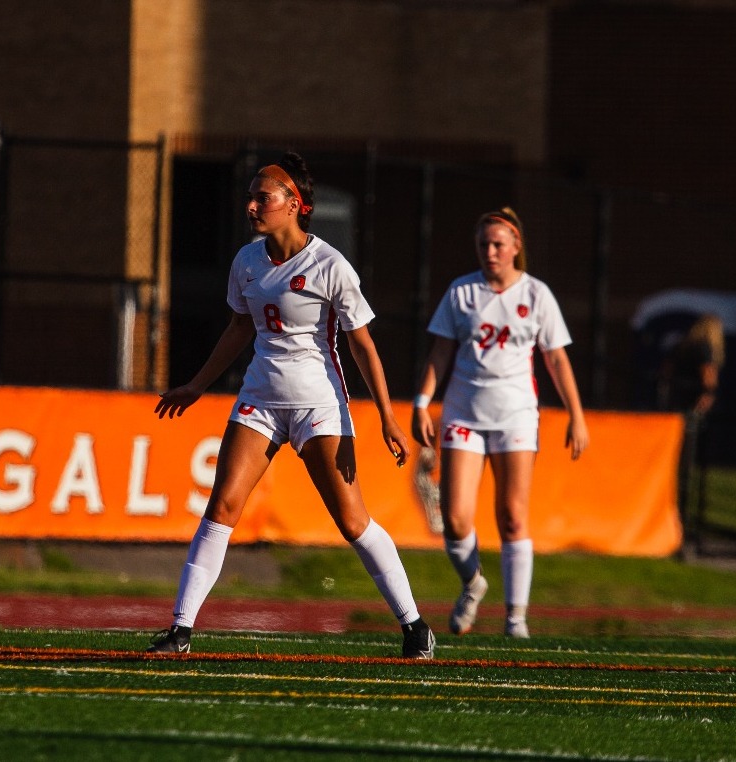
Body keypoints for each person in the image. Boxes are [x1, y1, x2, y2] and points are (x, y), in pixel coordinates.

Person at [147, 152, 435, 659]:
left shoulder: (330, 265)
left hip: (318, 407)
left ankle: (414, 626)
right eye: (252, 195)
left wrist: (387, 415)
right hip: (259, 400)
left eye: (264, 196)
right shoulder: (246, 260)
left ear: (294, 205)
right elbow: (239, 329)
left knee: (351, 521)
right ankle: (180, 629)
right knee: (222, 507)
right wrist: (196, 385)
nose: (252, 204)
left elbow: (362, 345)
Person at [410, 207, 588, 639]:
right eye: (483, 244)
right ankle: (473, 583)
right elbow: (440, 352)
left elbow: (557, 358)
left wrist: (577, 416)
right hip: (464, 412)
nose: (489, 252)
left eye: (498, 244)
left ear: (516, 247)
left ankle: (516, 618)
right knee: (453, 519)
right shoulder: (461, 292)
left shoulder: (537, 295)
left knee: (512, 516)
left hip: (515, 415)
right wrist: (421, 402)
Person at [657, 313, 724, 554]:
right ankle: (682, 523)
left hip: (673, 413)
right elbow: (709, 382)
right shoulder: (705, 349)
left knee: (673, 466)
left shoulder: (681, 346)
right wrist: (702, 407)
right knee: (686, 469)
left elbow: (665, 372)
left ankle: (671, 516)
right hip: (688, 415)